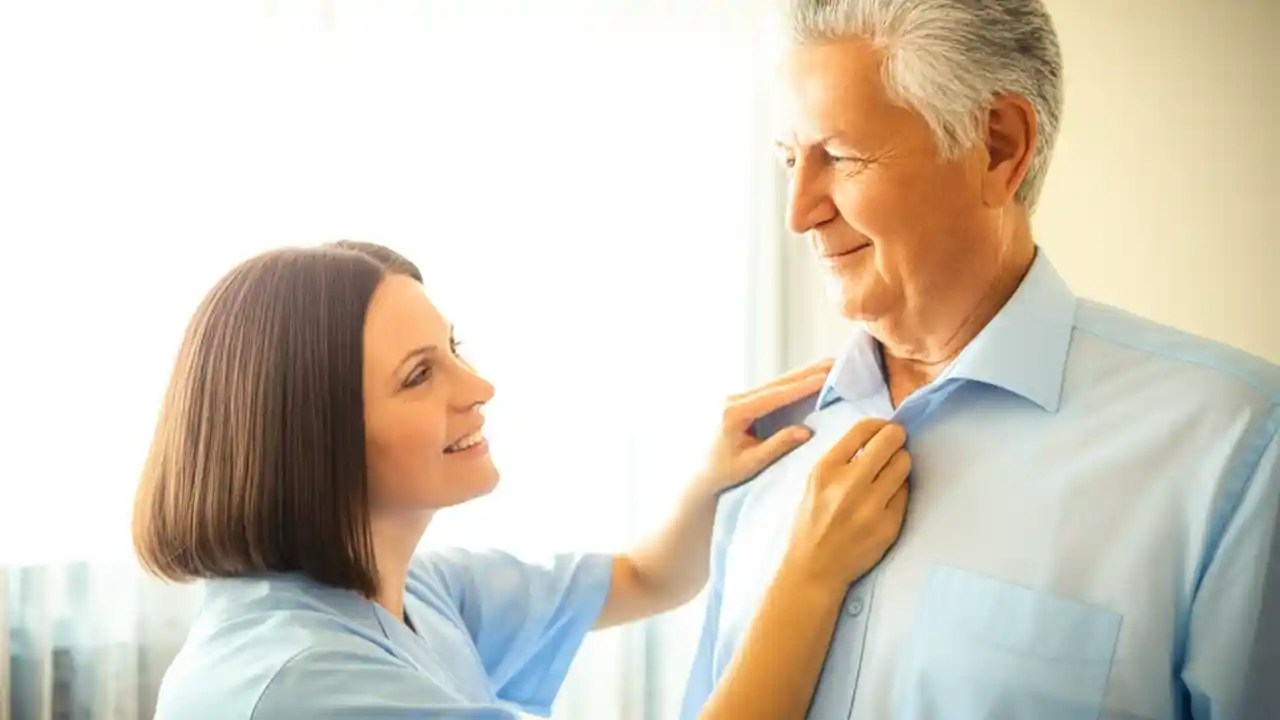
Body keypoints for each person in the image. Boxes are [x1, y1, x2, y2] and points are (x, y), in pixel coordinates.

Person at [680, 2, 1280, 719]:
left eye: (839, 156)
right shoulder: (766, 450)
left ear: (998, 147)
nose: (799, 211)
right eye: (788, 160)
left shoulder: (1234, 448)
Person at [133, 240, 912, 719]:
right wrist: (814, 574)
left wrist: (716, 481)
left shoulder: (411, 595)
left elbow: (644, 578)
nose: (477, 388)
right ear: (314, 437)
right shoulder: (300, 684)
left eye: (454, 347)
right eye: (418, 376)